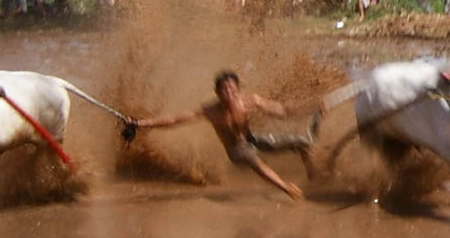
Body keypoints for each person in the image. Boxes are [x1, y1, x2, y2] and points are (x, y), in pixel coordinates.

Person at [126, 71, 326, 201]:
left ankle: (313, 176)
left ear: (238, 89)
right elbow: (174, 120)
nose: (229, 94)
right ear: (217, 92)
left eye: (232, 89)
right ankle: (286, 188)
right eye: (224, 90)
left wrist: (312, 106)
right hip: (236, 151)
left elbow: (283, 110)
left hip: (252, 139)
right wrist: (140, 123)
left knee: (301, 143)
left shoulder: (251, 101)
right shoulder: (210, 111)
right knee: (253, 159)